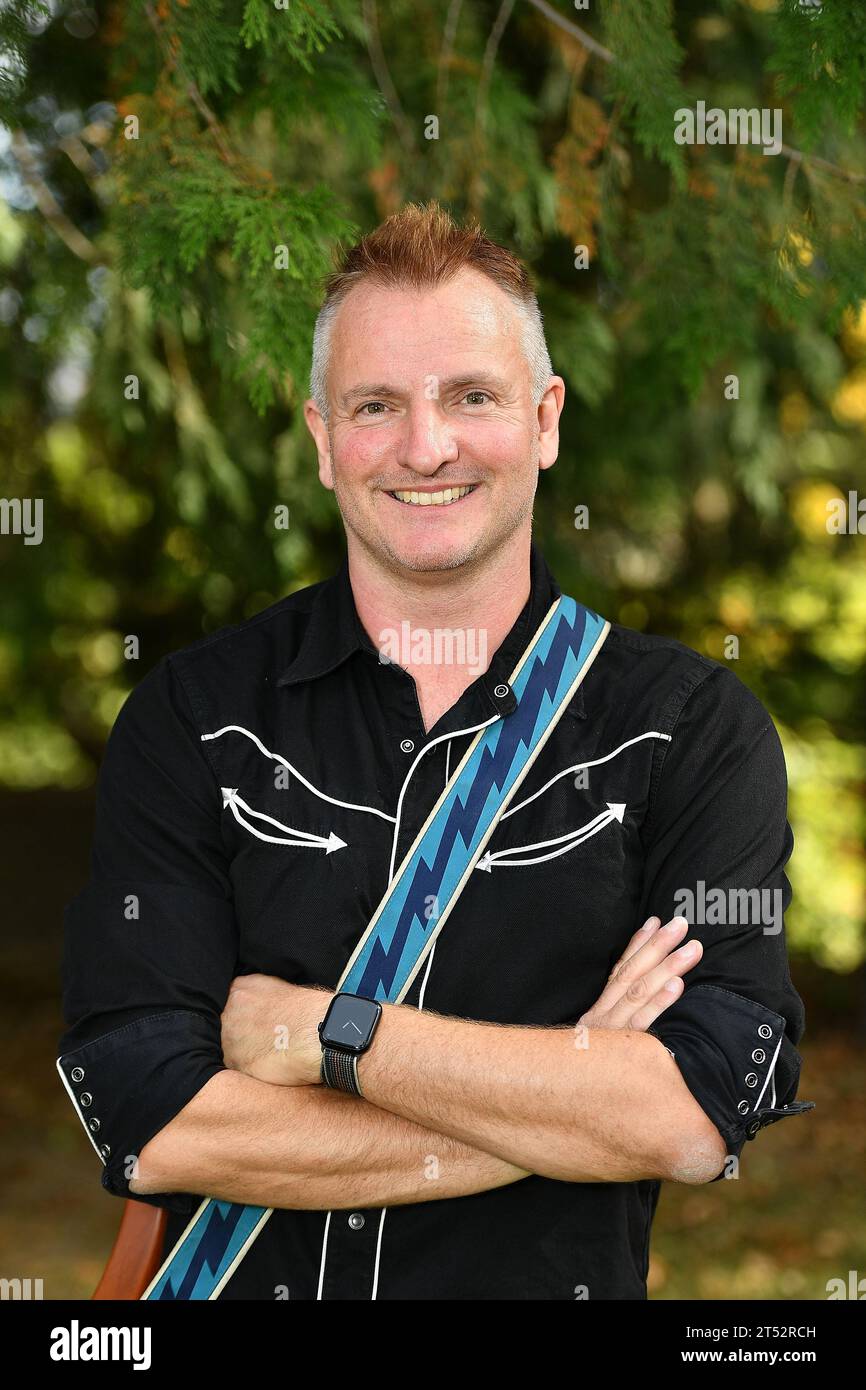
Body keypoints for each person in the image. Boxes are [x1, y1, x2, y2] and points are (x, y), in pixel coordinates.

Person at [57, 201, 814, 1301]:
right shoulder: (194, 720)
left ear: (546, 419)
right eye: (376, 405)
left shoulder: (685, 729)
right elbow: (153, 1120)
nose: (426, 445)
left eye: (471, 395)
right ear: (322, 440)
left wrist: (320, 1031)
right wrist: (561, 1103)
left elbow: (694, 1114)